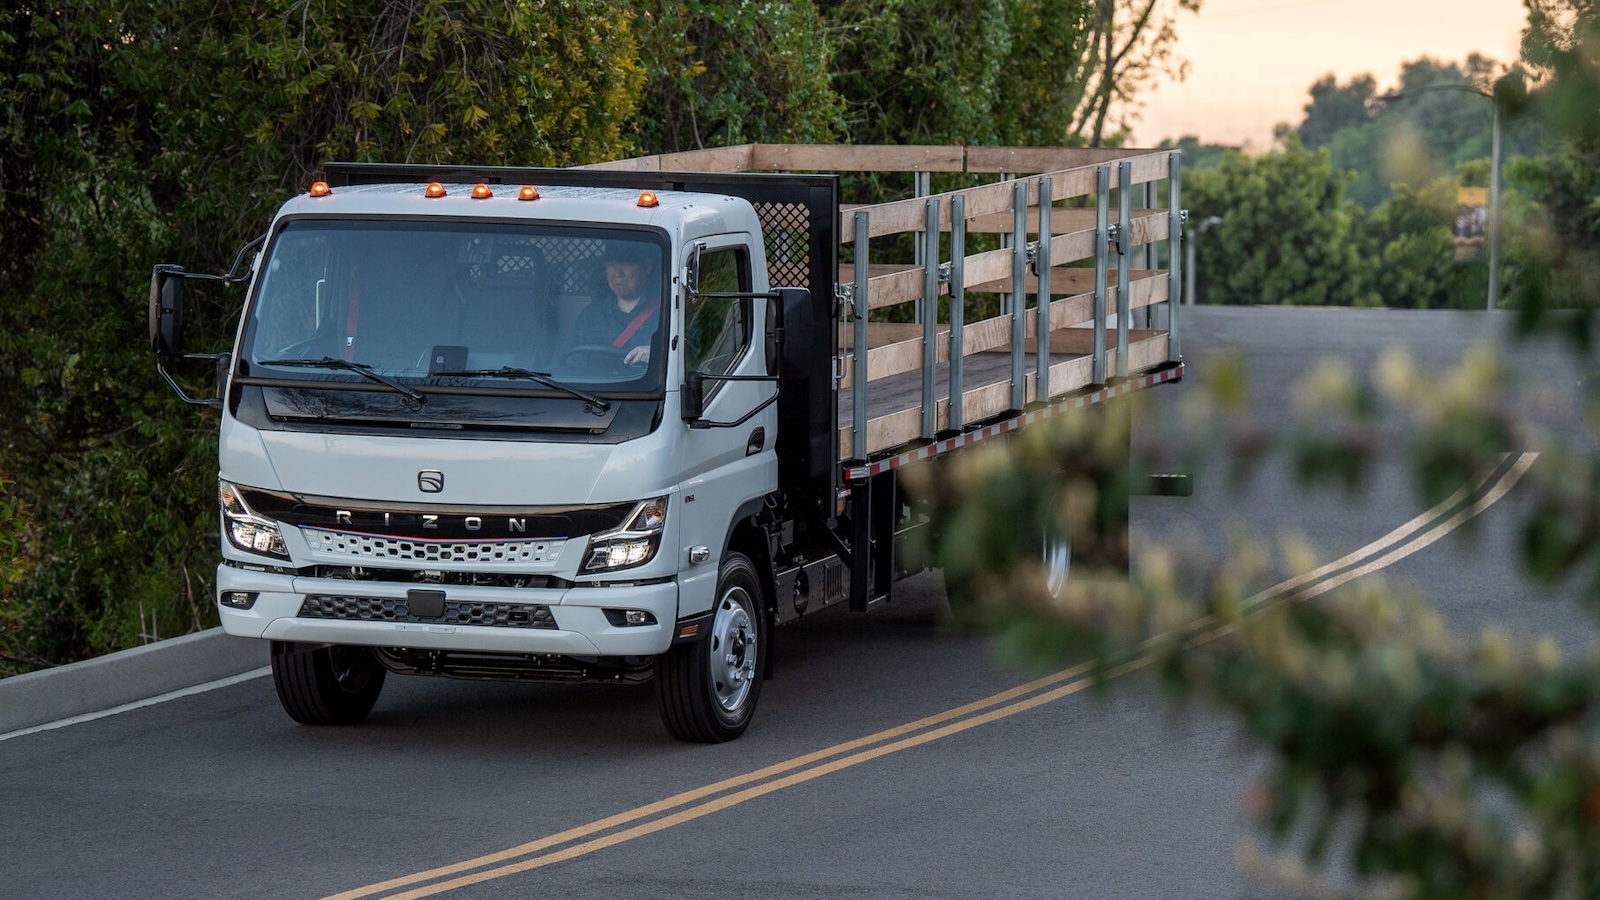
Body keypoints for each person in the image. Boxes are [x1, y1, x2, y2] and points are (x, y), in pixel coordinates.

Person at [567, 241, 661, 367]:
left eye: (626, 264)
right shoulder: (591, 316)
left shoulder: (666, 312)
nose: (618, 273)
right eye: (611, 265)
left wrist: (659, 355)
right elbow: (567, 364)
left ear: (647, 266)